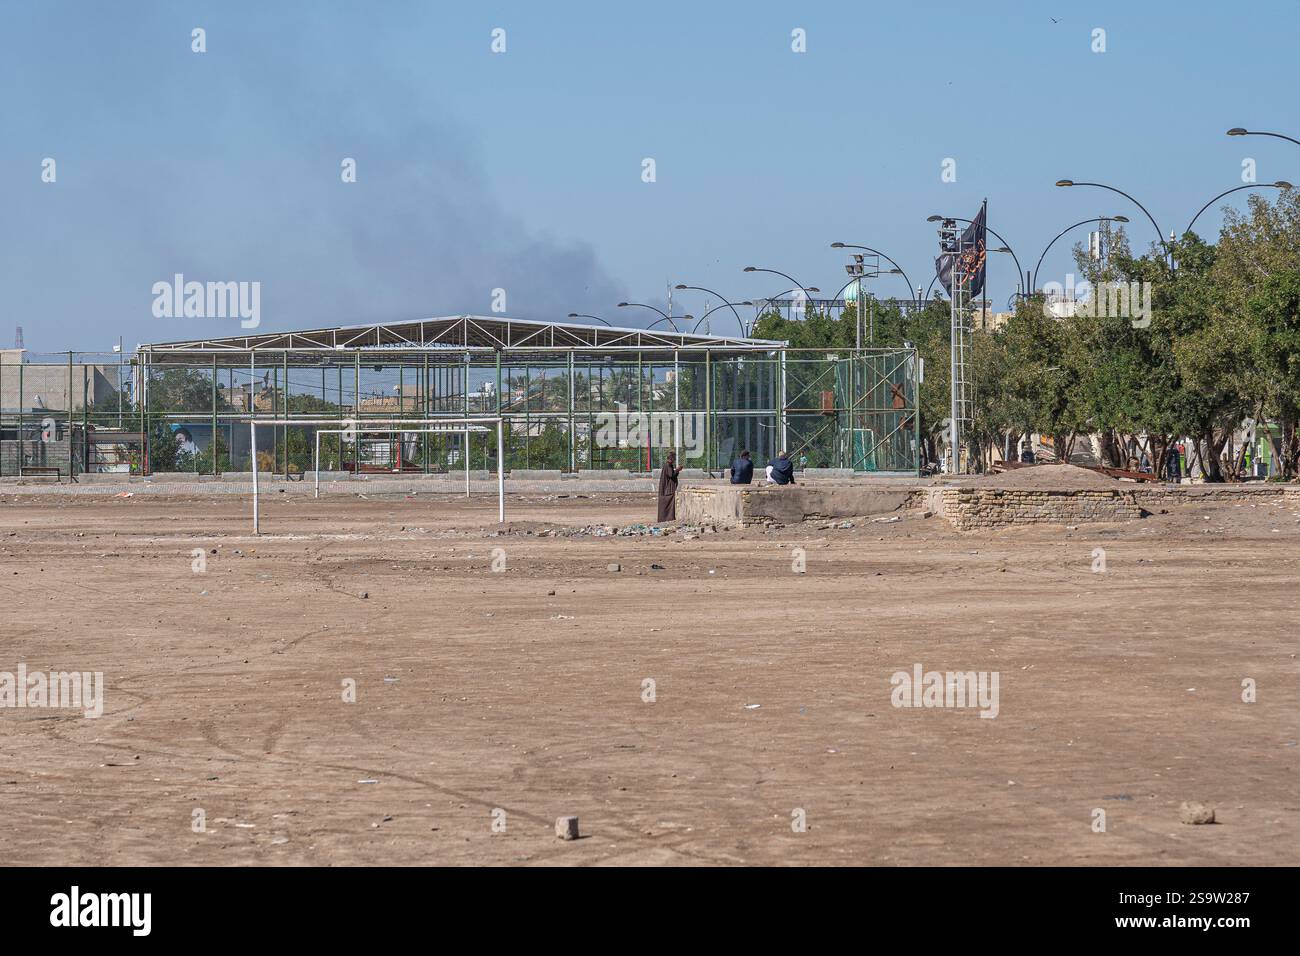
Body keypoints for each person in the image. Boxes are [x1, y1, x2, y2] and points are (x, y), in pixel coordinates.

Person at [657, 451, 681, 522]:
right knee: (667, 503)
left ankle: (666, 518)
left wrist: (676, 471)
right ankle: (667, 518)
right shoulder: (668, 465)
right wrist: (677, 470)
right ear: (671, 458)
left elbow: (672, 475)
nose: (674, 460)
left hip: (666, 489)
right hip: (667, 489)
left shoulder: (668, 465)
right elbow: (671, 475)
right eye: (674, 458)